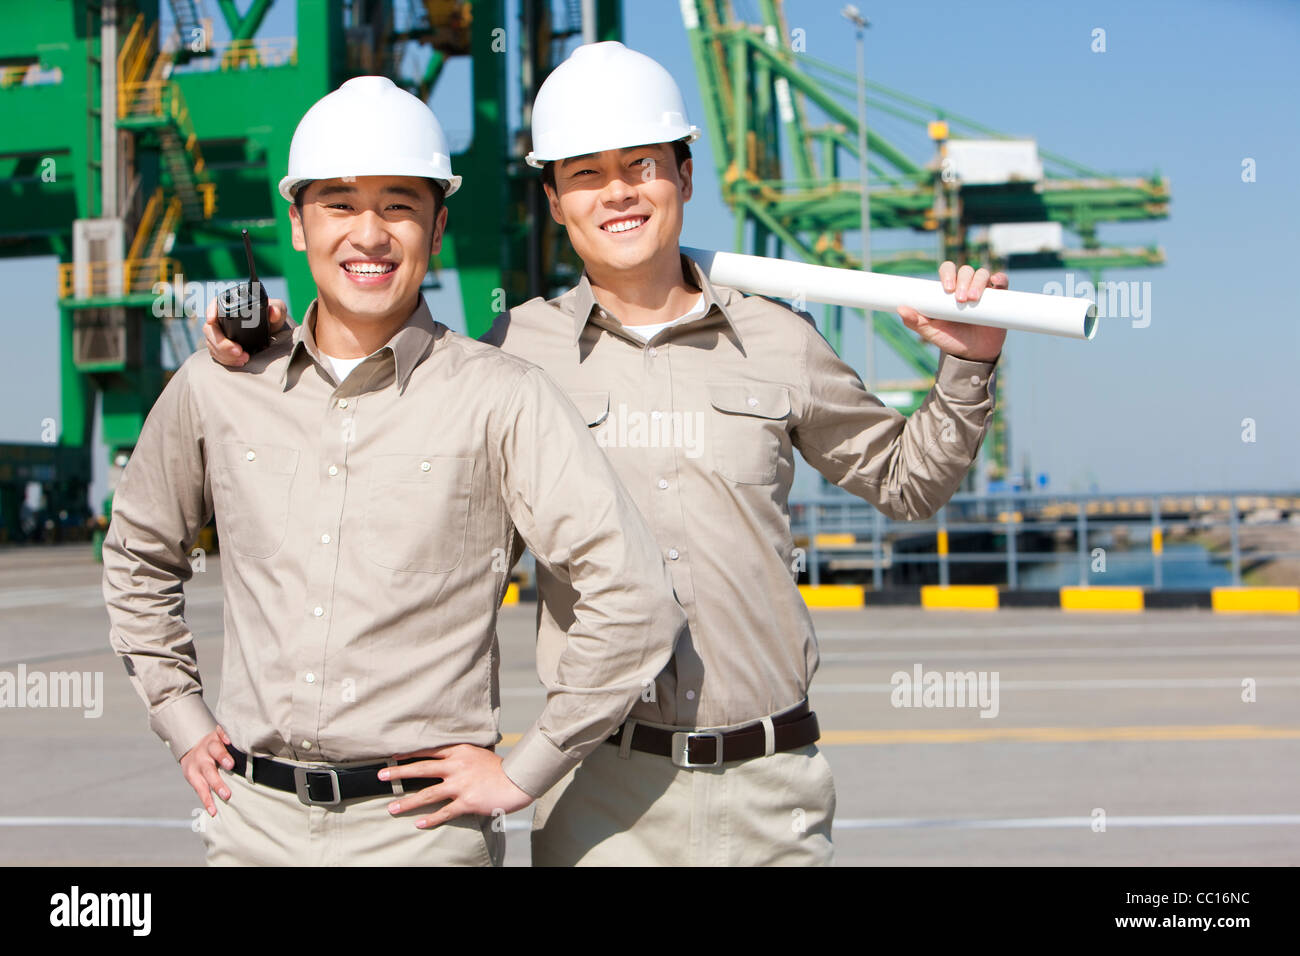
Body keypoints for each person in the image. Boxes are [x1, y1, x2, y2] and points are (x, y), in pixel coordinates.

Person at [208, 43, 1007, 867]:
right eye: (585, 174)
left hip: (772, 790)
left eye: (641, 165)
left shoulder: (779, 341)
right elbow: (385, 464)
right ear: (554, 200)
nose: (618, 191)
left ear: (684, 178)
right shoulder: (513, 353)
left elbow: (909, 484)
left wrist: (969, 364)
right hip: (599, 797)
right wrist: (268, 342)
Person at [105, 75, 685, 867]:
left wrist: (529, 767)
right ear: (298, 223)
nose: (369, 235)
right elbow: (138, 555)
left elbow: (636, 597)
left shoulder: (501, 397)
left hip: (420, 837)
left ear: (438, 226)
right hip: (251, 828)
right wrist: (178, 711)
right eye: (339, 205)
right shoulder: (217, 387)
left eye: (399, 206)